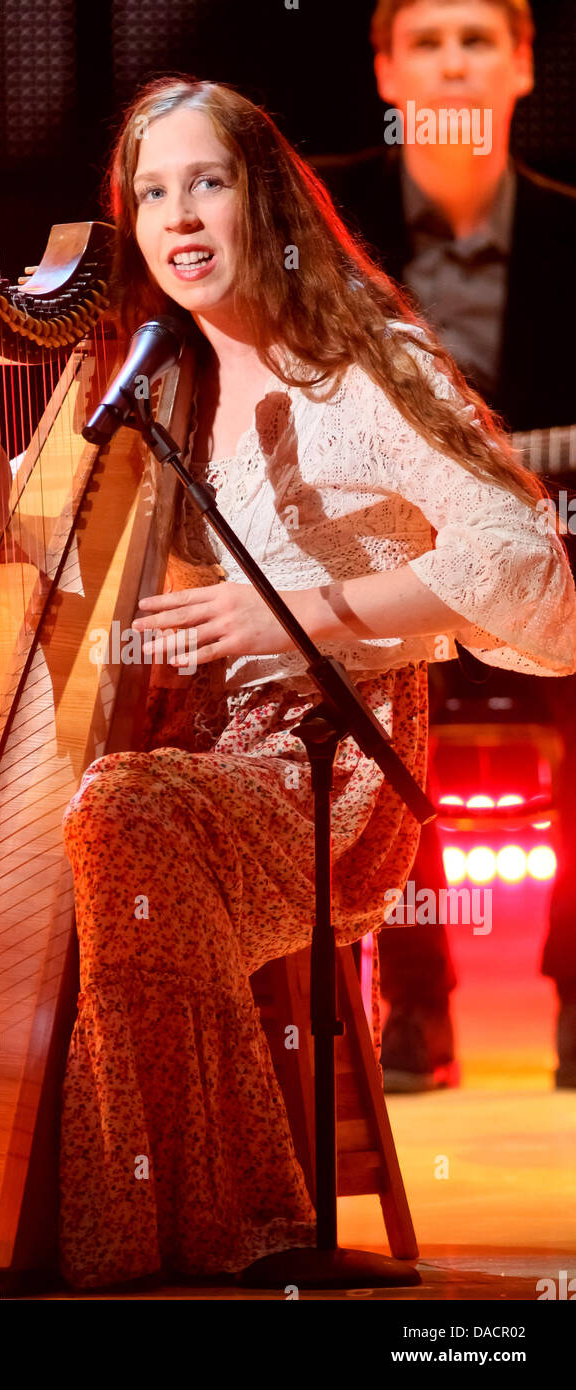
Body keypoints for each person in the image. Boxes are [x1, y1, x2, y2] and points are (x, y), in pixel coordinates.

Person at [0, 73, 574, 1293]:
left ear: (262, 200)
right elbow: (35, 660)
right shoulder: (142, 382)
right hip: (149, 739)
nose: (177, 215)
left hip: (314, 767)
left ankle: (198, 1221)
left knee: (121, 808)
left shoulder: (362, 373)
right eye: (152, 190)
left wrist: (306, 612)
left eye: (204, 183)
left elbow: (524, 571)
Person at [314, 0, 576, 1091]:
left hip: (558, 540)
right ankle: (412, 997)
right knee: (322, 636)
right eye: (426, 41)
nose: (453, 63)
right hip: (390, 548)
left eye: (477, 40)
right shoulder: (328, 232)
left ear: (520, 67)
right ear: (385, 69)